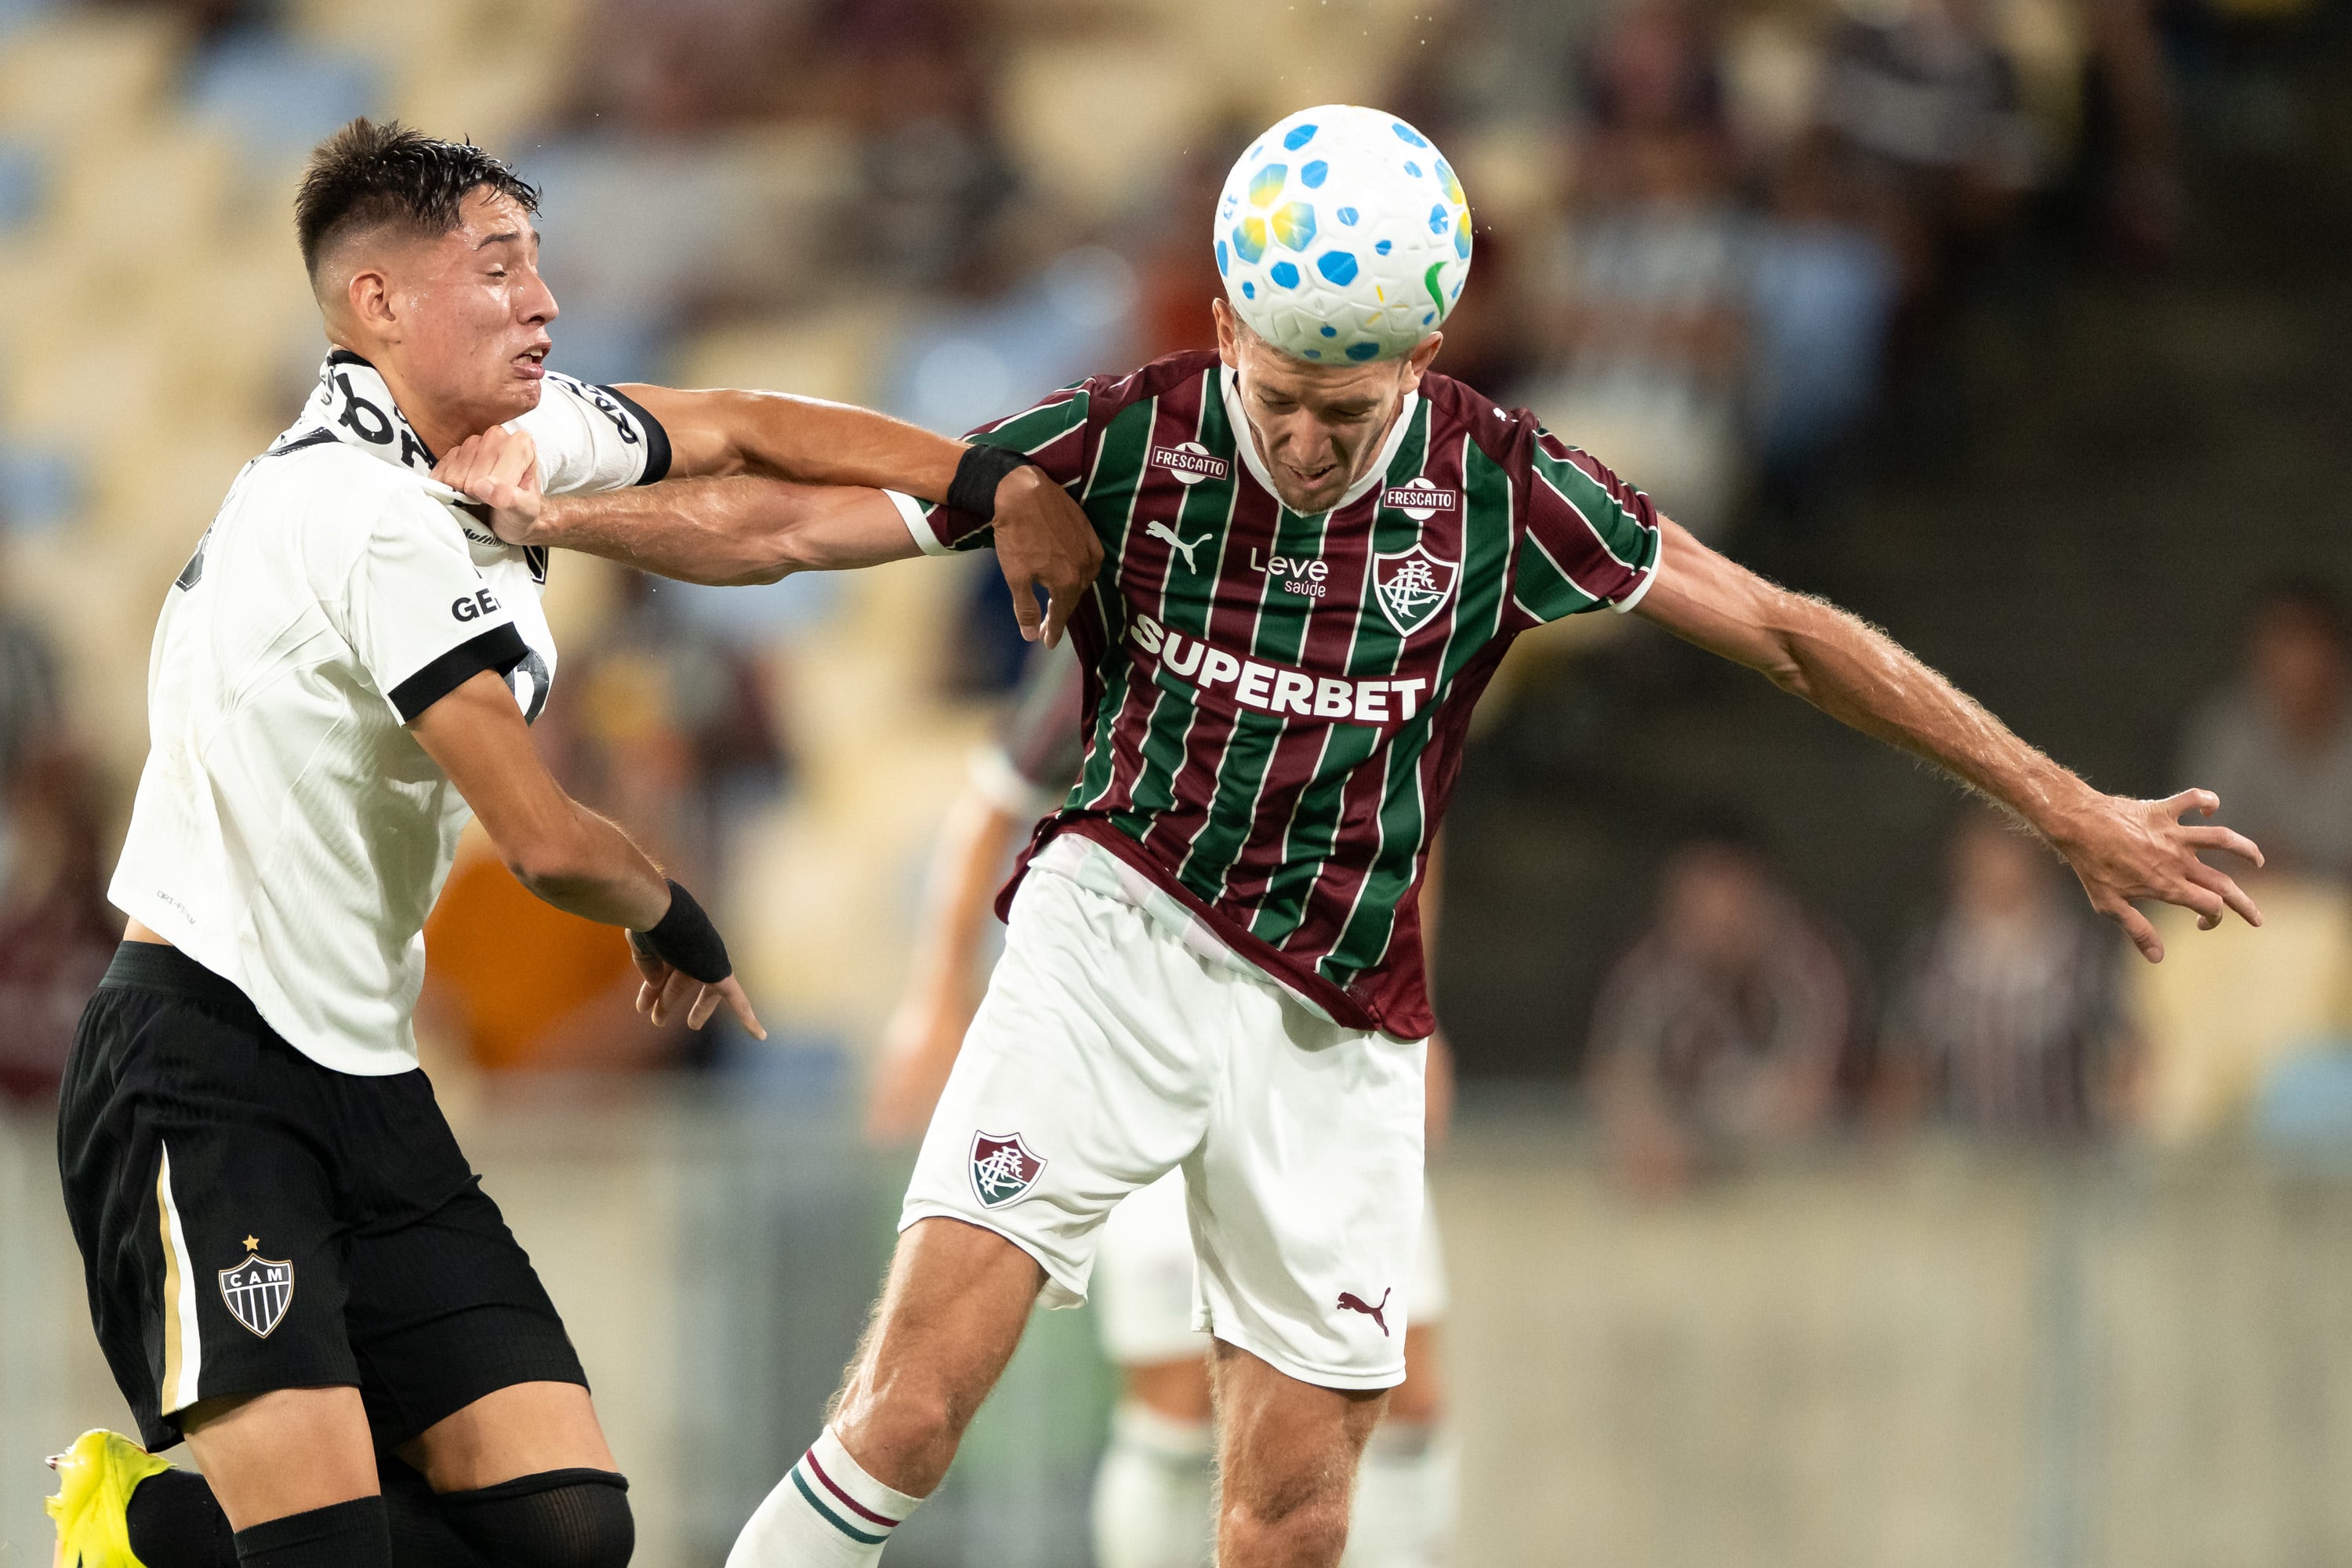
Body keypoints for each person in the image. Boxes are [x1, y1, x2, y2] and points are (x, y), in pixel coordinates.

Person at [488, 103, 2260, 1568]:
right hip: (1110, 940)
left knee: (1295, 1518)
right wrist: (555, 518)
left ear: (1423, 352)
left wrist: (2059, 802)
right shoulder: (1133, 439)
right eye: (1276, 396)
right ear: (1226, 329)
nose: (1305, 439)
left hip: (1338, 1020)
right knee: (911, 1409)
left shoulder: (1505, 484)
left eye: (1346, 410)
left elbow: (1787, 634)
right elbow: (786, 522)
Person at [46, 118, 1098, 1568]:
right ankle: (141, 1530)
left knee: (568, 1531)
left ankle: (195, 1531)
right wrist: (670, 910)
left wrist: (989, 483)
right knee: (327, 1554)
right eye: (497, 271)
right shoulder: (355, 512)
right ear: (379, 304)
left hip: (365, 1077)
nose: (542, 301)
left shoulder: (499, 445)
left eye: (536, 264)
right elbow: (541, 840)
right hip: (200, 1069)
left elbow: (741, 429)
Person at [866, 641, 1455, 1568]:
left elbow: (1411, 823)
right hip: (1152, 1013)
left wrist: (1423, 1010)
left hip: (1332, 1044)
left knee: (1402, 1381)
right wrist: (934, 1003)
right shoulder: (1161, 604)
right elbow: (994, 795)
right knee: (1179, 1392)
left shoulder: (1380, 620)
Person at [1586, 836, 1856, 1193]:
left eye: (1729, 916)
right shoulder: (1648, 972)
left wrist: (1709, 1151)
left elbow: (1813, 1092)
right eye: (1696, 915)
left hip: (1795, 1164)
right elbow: (1616, 1079)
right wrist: (1650, 1133)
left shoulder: (1810, 968)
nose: (1714, 933)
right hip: (1675, 1155)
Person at [1877, 808, 2136, 1138]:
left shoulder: (2080, 956)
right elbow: (1901, 1067)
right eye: (1986, 853)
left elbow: (2122, 1058)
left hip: (2061, 1155)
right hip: (1958, 1154)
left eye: (2009, 851)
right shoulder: (1930, 959)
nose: (1998, 868)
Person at [2175, 579, 2352, 884]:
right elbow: (2195, 847)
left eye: (2303, 641)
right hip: (2246, 904)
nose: (2293, 663)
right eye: (2280, 644)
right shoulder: (2228, 732)